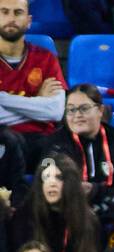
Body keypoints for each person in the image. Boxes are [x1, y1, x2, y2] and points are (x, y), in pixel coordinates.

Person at [42, 84, 114, 227]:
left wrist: (96, 191)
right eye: (71, 110)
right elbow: (45, 186)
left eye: (84, 108)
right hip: (68, 216)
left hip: (113, 213)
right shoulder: (55, 144)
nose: (77, 115)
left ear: (100, 110)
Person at [9, 155, 101, 252]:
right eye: (46, 178)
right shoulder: (24, 218)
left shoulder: (88, 220)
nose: (51, 183)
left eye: (59, 177)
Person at [0, 0, 67, 159]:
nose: (11, 18)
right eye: (4, 12)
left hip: (42, 140)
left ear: (29, 21)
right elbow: (47, 111)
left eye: (18, 12)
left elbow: (55, 112)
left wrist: (2, 98)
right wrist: (37, 102)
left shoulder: (46, 58)